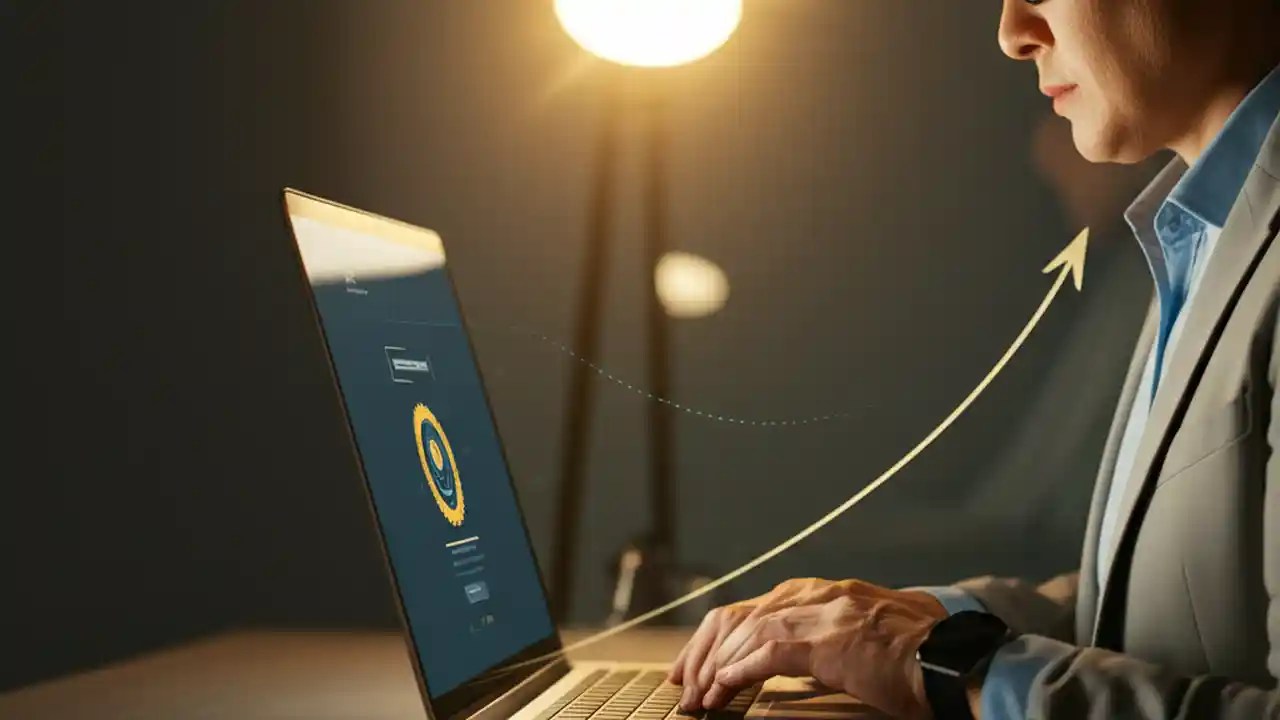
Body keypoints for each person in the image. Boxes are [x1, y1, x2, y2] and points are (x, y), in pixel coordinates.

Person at [669, 0, 1280, 717]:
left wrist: (935, 664)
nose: (1012, 32)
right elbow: (1157, 616)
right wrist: (914, 618)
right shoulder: (1199, 226)